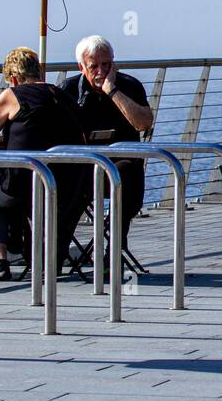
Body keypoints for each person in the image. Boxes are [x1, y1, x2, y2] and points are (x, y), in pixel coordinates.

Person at [0, 47, 88, 281]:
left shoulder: (13, 95)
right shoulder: (63, 94)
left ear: (13, 78)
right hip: (69, 186)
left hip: (26, 184)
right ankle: (22, 239)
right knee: (4, 187)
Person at [61, 36, 154, 257]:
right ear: (81, 67)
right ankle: (57, 250)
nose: (101, 71)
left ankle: (114, 249)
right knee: (66, 183)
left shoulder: (129, 85)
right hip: (82, 166)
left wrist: (112, 91)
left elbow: (143, 123)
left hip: (120, 165)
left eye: (106, 64)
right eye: (94, 66)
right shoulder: (69, 90)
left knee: (125, 174)